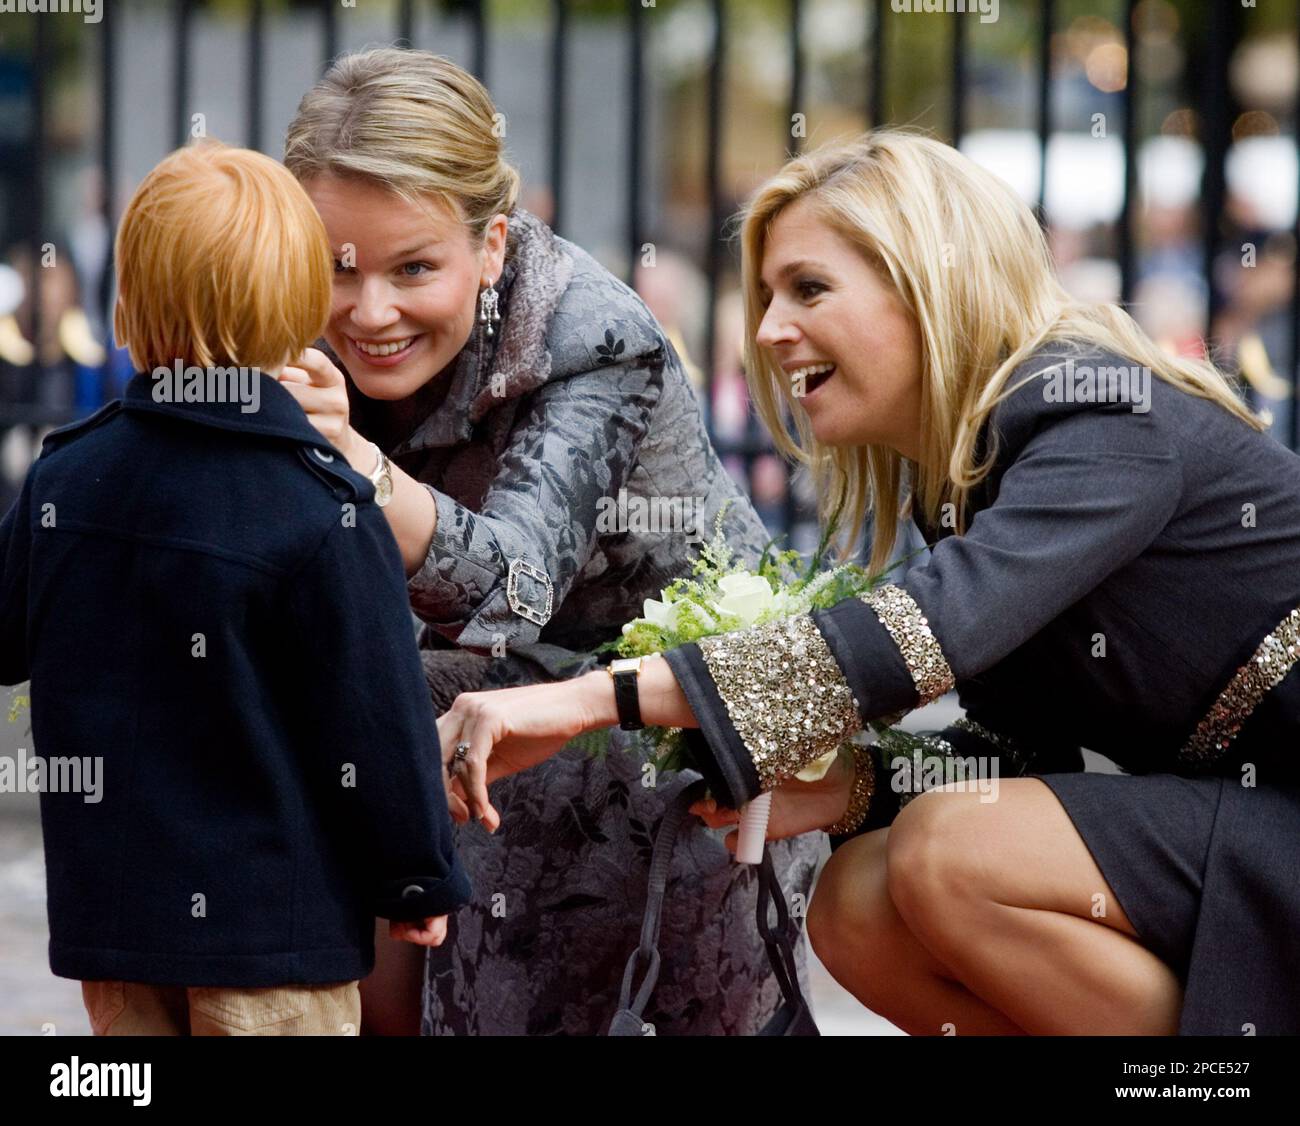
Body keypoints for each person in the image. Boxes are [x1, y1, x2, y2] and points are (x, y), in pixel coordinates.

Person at [436, 130, 1300, 1036]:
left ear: (932, 284)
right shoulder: (969, 479)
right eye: (768, 294)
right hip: (1246, 820)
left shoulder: (1094, 411)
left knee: (951, 852)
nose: (769, 329)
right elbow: (1023, 758)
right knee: (857, 904)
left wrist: (589, 700)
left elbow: (931, 627)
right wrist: (848, 785)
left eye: (809, 288)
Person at [279, 46, 823, 1036]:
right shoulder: (290, 326)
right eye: (336, 269)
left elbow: (514, 587)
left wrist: (356, 459)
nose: (369, 313)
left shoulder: (589, 335)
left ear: (489, 248)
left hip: (661, 702)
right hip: (455, 684)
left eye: (415, 268)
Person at [0, 142, 470, 1035]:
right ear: (300, 305)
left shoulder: (66, 478)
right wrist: (414, 877)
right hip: (274, 940)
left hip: (116, 934)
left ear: (128, 302)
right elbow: (377, 721)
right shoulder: (321, 508)